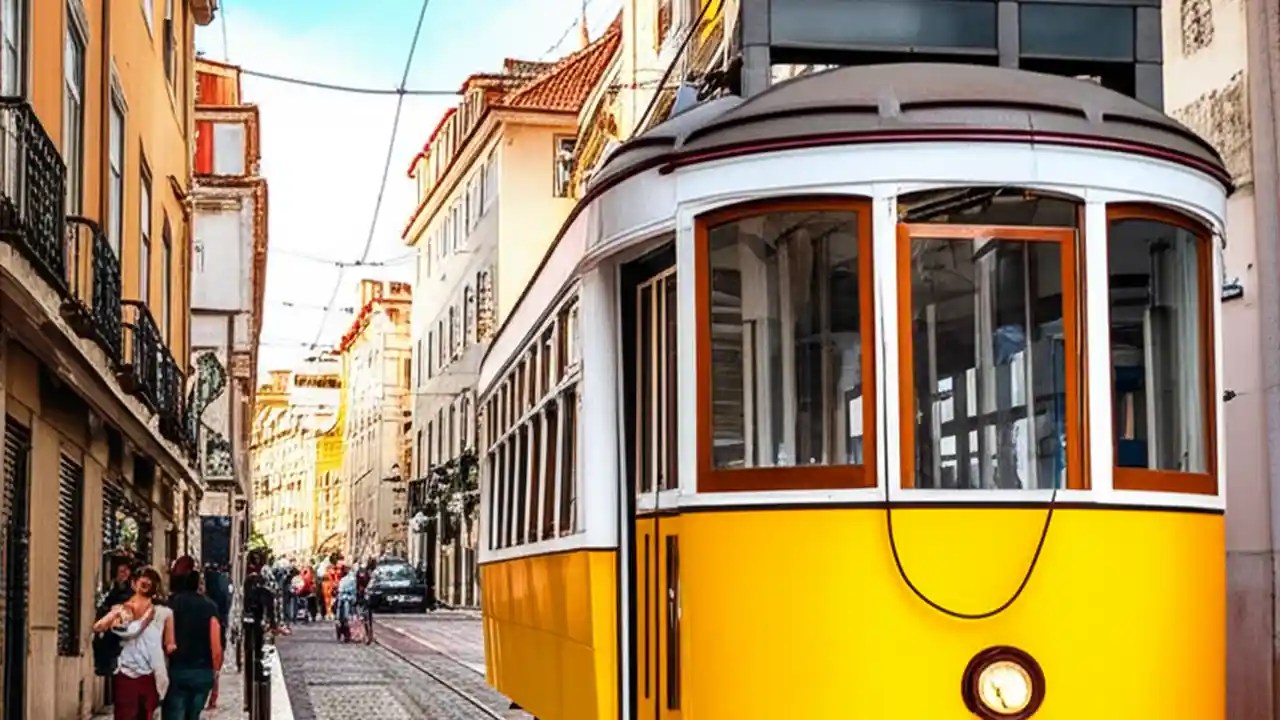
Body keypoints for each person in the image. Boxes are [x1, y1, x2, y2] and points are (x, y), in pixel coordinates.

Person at [91, 566, 174, 720]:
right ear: (134, 584)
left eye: (150, 580)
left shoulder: (164, 613)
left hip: (148, 676)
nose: (146, 582)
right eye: (144, 579)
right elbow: (98, 627)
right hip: (128, 673)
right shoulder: (122, 609)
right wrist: (115, 616)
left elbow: (170, 644)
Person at [161, 556, 223, 719]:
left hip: (177, 671)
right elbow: (215, 646)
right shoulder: (210, 607)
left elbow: (165, 641)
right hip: (202, 674)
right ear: (199, 584)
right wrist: (215, 678)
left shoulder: (171, 605)